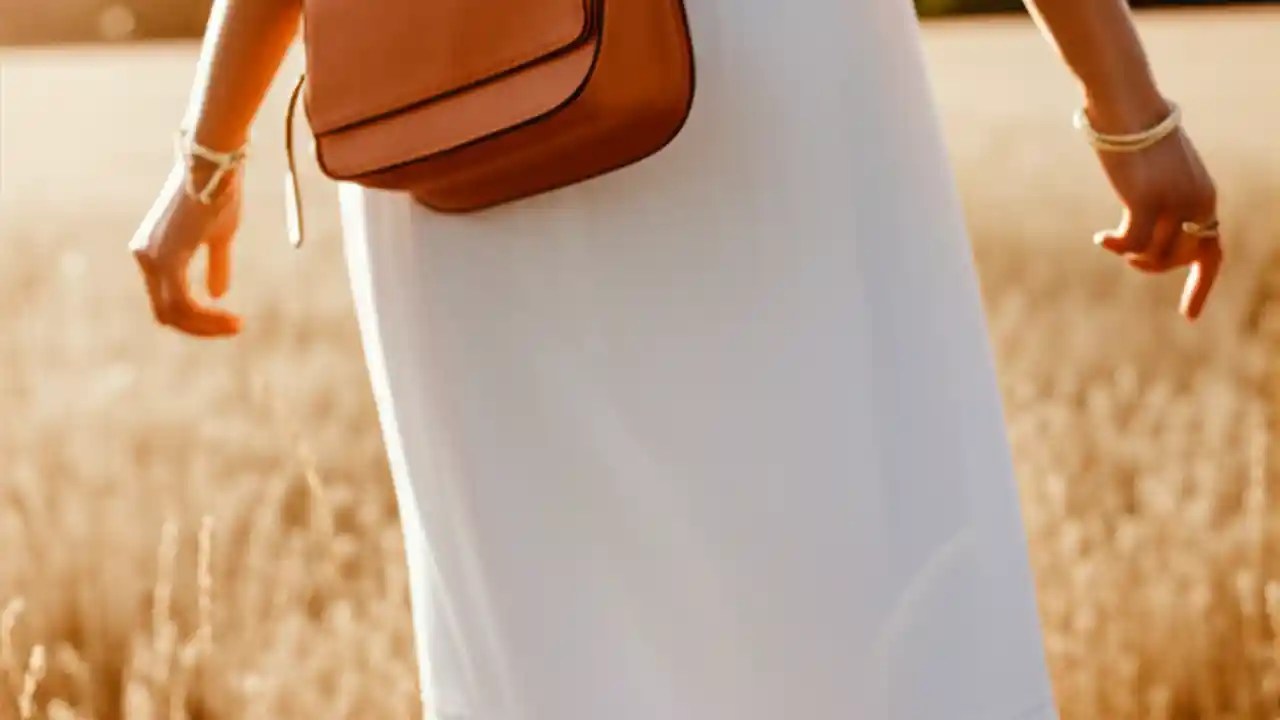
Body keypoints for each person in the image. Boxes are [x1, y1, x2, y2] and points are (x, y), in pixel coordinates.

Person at [128, 0, 1221, 717]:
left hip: (463, 88)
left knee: (551, 643)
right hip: (756, 74)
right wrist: (1124, 109)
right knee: (862, 601)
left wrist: (209, 157)